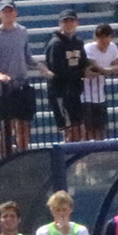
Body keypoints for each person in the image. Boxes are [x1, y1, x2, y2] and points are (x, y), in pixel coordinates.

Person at [0, 0, 48, 161]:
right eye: (5, 11)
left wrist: (39, 66)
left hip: (22, 83)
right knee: (6, 128)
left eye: (10, 11)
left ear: (15, 12)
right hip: (4, 86)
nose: (8, 13)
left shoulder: (22, 31)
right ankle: (4, 161)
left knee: (24, 125)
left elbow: (27, 56)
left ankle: (23, 158)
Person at [45, 10, 89, 142]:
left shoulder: (78, 42)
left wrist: (89, 69)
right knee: (69, 131)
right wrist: (82, 73)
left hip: (74, 92)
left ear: (76, 23)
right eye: (65, 21)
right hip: (61, 92)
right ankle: (69, 161)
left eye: (71, 21)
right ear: (60, 24)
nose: (69, 24)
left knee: (79, 129)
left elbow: (83, 62)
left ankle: (78, 160)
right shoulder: (56, 44)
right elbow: (58, 70)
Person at [81, 22, 118, 140]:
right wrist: (109, 70)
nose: (104, 40)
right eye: (101, 37)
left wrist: (111, 69)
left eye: (107, 37)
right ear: (96, 38)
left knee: (101, 129)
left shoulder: (113, 47)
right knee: (88, 129)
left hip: (100, 96)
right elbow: (94, 67)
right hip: (85, 96)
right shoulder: (88, 48)